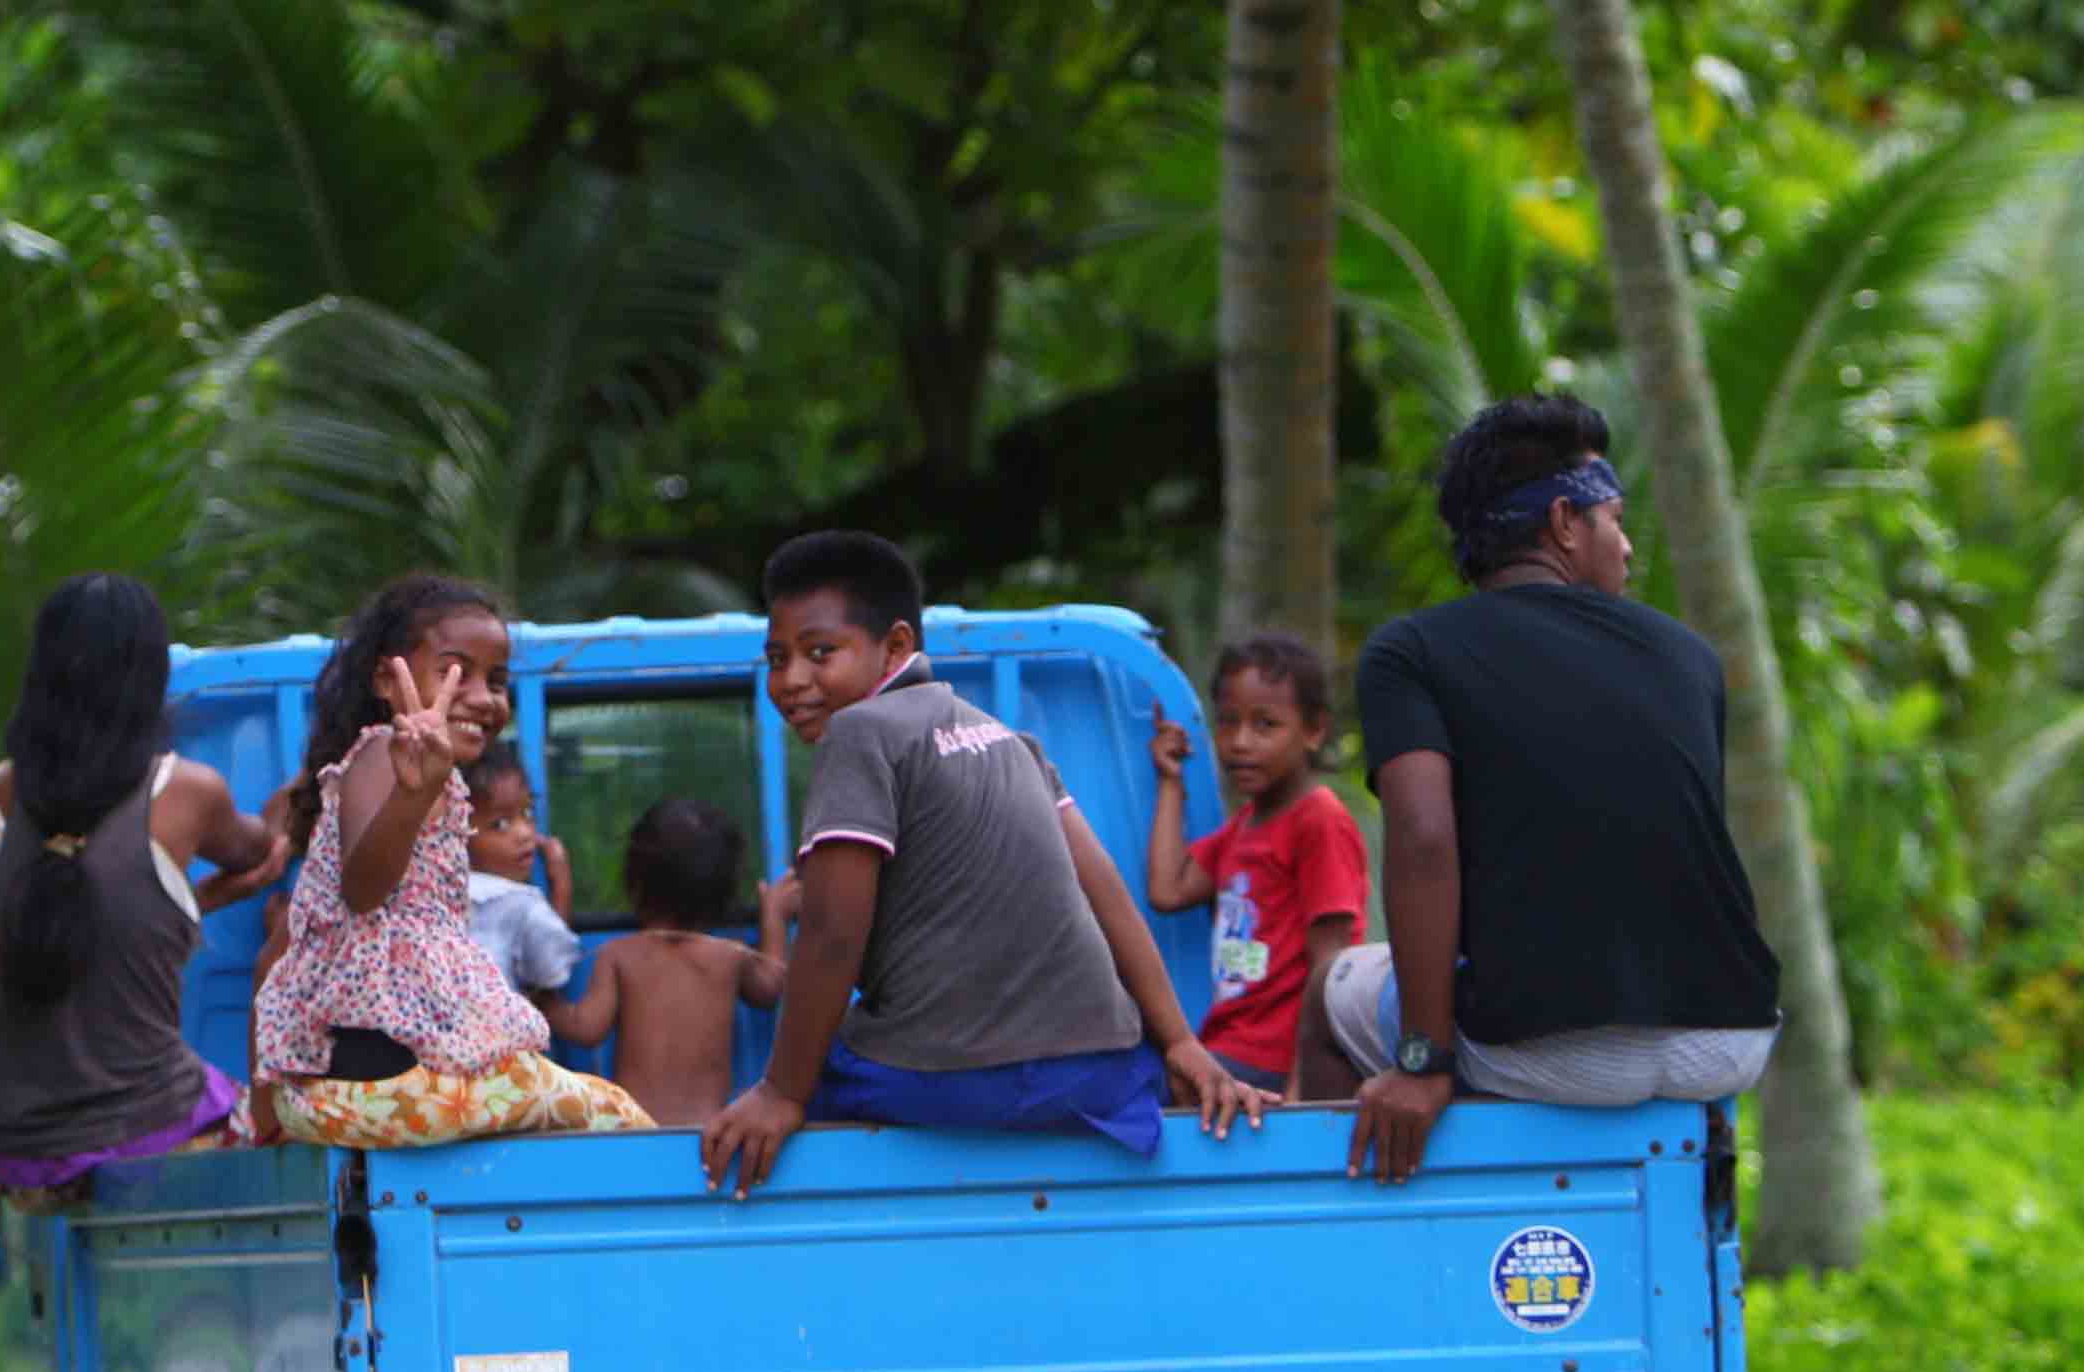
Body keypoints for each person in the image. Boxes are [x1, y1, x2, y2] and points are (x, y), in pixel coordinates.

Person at [702, 530, 1263, 1197]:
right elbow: (1107, 893)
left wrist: (780, 1092)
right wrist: (1177, 1044)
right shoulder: (1011, 741)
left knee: (785, 1100)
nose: (791, 680)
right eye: (776, 658)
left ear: (897, 647)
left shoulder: (859, 734)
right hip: (1102, 1074)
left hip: (953, 1079)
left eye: (819, 652)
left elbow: (831, 935)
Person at [1325, 396, 1782, 1184]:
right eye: (1616, 520)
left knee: (1332, 992)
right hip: (1728, 1039)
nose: (1629, 547)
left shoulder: (1412, 653)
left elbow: (1425, 843)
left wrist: (1422, 1060)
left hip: (1550, 1053)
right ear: (1565, 523)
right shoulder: (1691, 657)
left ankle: (1367, 1251)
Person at [251, 572, 654, 1146]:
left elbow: (281, 953)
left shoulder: (414, 774)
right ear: (388, 682)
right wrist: (413, 796)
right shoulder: (385, 757)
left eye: (496, 679)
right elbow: (362, 889)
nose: (483, 697)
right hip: (388, 1080)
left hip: (380, 1081)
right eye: (453, 672)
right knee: (618, 1117)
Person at [0, 573, 276, 1204]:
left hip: (14, 1152)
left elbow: (79, 906)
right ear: (147, 678)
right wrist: (291, 816)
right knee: (290, 1138)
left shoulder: (4, 794)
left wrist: (195, 904)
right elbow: (259, 852)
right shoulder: (185, 792)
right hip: (147, 1134)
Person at [1142, 630, 1368, 1100]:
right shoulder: (1246, 825)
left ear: (1314, 730)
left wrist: (1303, 1087)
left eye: (1265, 725)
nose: (1240, 742)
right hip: (1230, 1048)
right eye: (1227, 722)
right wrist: (1170, 781)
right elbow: (1168, 889)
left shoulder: (1318, 819)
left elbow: (1331, 961)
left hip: (1276, 1061)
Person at [539, 796, 785, 1130]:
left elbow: (586, 1027)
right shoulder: (728, 956)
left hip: (634, 1127)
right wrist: (774, 914)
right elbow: (771, 985)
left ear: (635, 880)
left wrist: (540, 996)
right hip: (707, 1129)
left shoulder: (620, 954)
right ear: (725, 889)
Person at [460, 746, 585, 998]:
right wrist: (561, 885)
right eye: (501, 824)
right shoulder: (519, 902)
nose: (525, 833)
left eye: (527, 813)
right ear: (457, 833)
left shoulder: (431, 893)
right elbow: (552, 970)